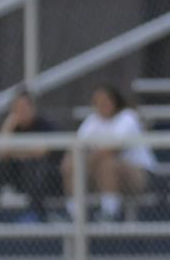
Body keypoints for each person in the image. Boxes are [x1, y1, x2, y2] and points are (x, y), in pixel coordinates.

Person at [62, 84, 157, 222]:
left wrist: (83, 162)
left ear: (115, 101)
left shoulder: (128, 117)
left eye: (105, 101)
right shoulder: (92, 120)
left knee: (108, 164)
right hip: (98, 174)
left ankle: (110, 213)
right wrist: (74, 162)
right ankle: (73, 213)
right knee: (70, 163)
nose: (102, 105)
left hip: (138, 175)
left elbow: (112, 149)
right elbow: (76, 147)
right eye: (98, 102)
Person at [0, 90, 61, 222]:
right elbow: (0, 153)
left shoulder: (44, 125)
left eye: (24, 107)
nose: (21, 111)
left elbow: (41, 152)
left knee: (31, 164)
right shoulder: (12, 126)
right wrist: (8, 126)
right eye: (17, 108)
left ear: (33, 108)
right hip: (18, 177)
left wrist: (14, 151)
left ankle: (37, 214)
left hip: (45, 179)